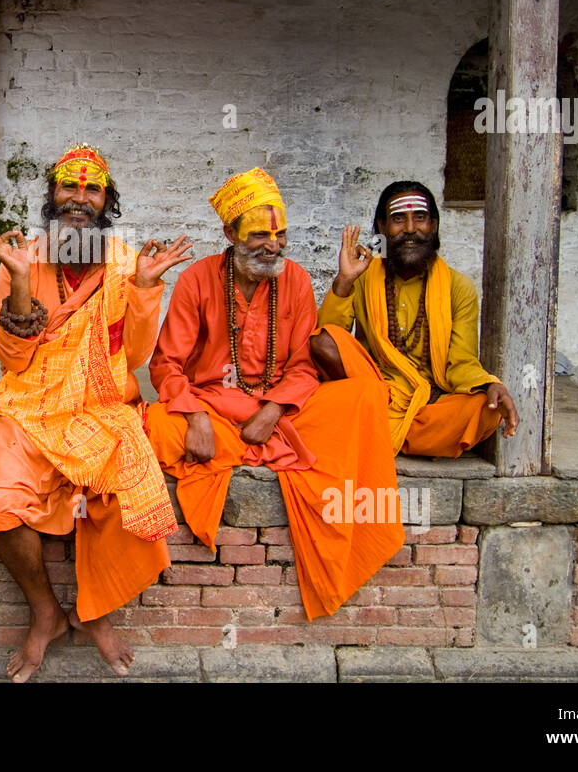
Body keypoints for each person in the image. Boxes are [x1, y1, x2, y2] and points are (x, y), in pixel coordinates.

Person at [0, 144, 191, 682]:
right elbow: (12, 358)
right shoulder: (23, 257)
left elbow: (133, 358)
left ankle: (95, 616)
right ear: (52, 195)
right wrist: (19, 283)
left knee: (126, 492)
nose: (79, 199)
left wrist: (145, 288)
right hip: (32, 412)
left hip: (100, 410)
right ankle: (47, 614)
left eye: (92, 189)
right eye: (69, 187)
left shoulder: (128, 266)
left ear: (106, 200)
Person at [144, 168, 404, 620]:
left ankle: (266, 449)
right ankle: (245, 445)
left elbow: (304, 364)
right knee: (157, 427)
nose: (274, 245)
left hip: (283, 410)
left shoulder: (297, 280)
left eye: (281, 234)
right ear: (230, 232)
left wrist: (273, 410)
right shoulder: (197, 280)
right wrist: (196, 417)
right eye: (261, 234)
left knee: (363, 395)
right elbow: (166, 364)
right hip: (214, 408)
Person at [311, 181, 519, 458]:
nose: (410, 229)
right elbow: (330, 339)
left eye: (419, 218)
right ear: (382, 228)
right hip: (376, 390)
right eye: (398, 219)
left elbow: (462, 362)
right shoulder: (362, 277)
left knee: (484, 408)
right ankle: (408, 437)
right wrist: (344, 281)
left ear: (433, 225)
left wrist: (489, 383)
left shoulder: (458, 287)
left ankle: (375, 431)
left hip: (431, 399)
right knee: (323, 343)